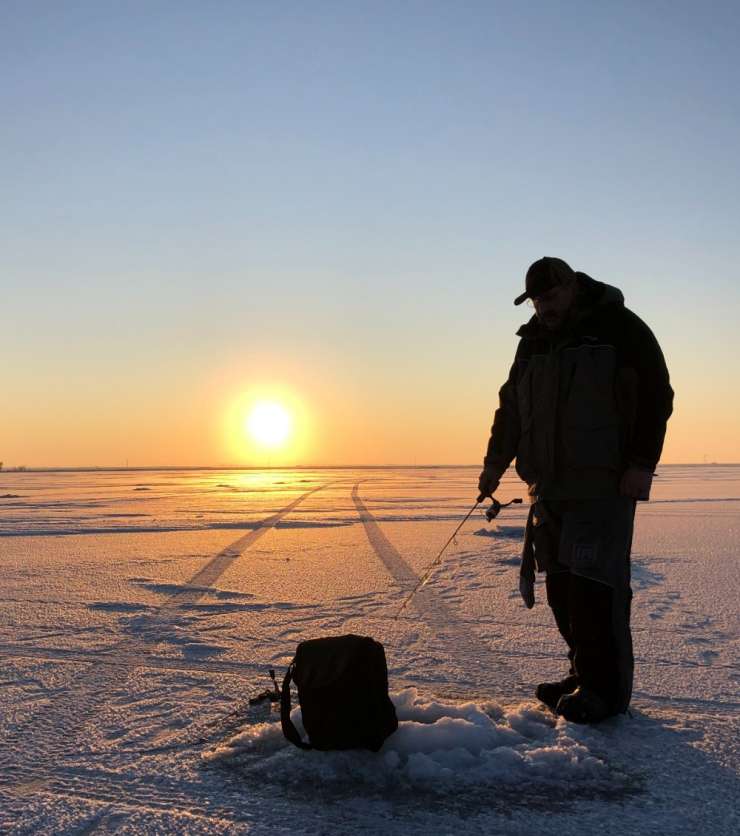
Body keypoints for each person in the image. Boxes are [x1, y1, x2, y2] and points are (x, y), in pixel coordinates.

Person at [479, 257, 673, 723]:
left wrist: (641, 464)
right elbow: (510, 410)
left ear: (571, 288)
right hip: (548, 486)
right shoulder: (532, 344)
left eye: (550, 297)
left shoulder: (619, 328)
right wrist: (493, 466)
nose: (543, 307)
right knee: (562, 590)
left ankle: (606, 692)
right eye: (536, 301)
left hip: (602, 484)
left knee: (595, 587)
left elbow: (657, 395)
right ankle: (582, 674)